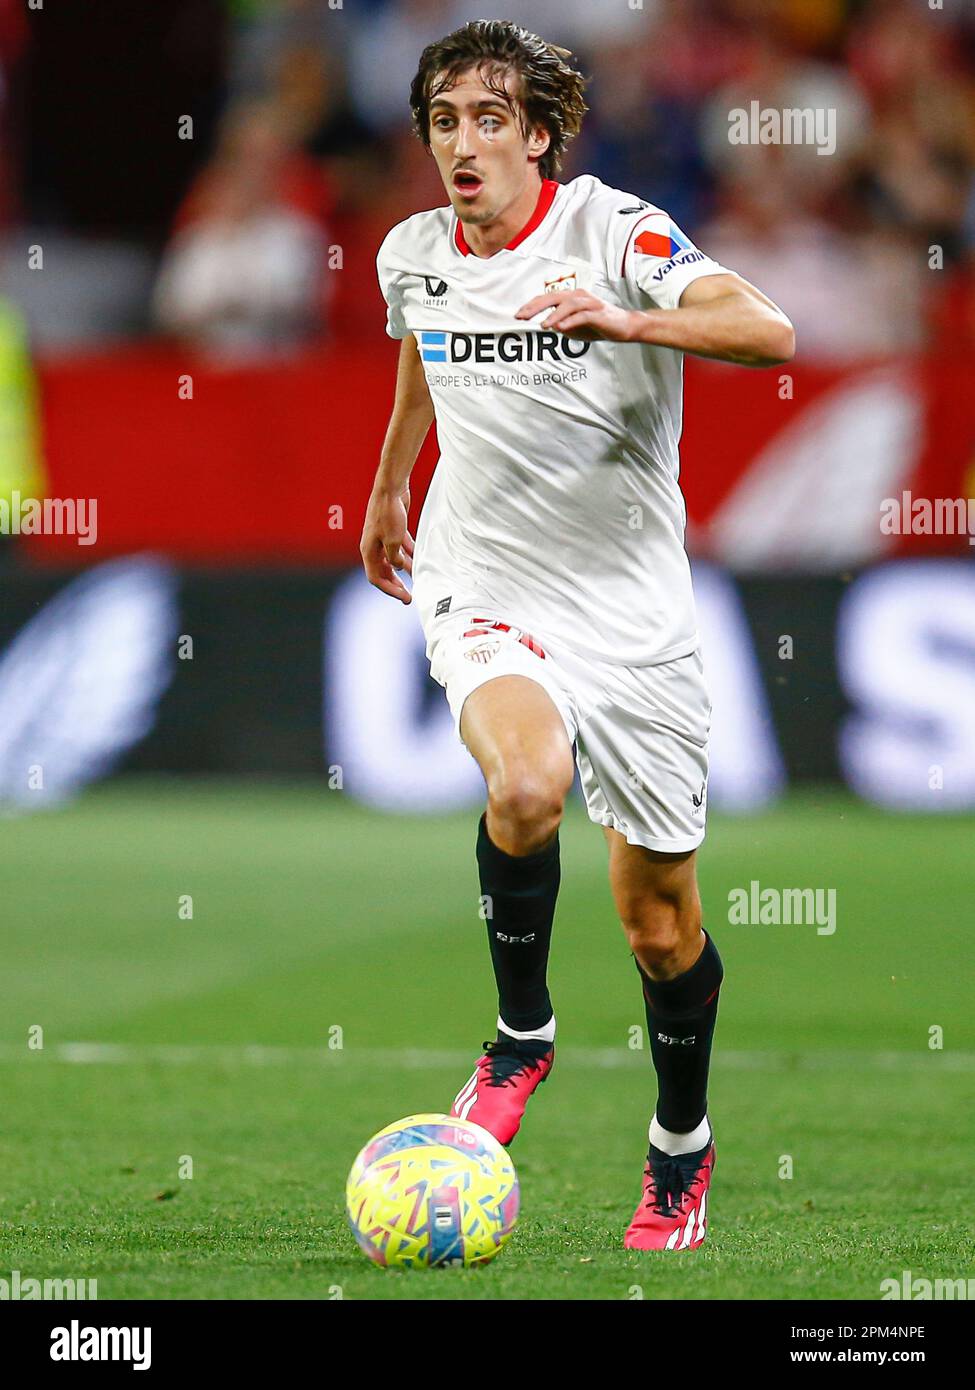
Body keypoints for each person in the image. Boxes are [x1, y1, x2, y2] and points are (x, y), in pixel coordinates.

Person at [359, 20, 794, 1252]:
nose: (464, 143)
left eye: (491, 118)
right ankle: (522, 1037)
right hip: (485, 577)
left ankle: (680, 1150)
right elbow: (423, 356)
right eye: (444, 120)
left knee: (660, 923)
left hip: (633, 614)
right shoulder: (414, 252)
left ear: (539, 135)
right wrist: (392, 482)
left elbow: (768, 331)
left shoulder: (615, 231)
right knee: (527, 782)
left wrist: (625, 321)